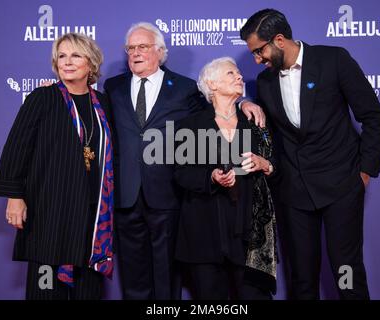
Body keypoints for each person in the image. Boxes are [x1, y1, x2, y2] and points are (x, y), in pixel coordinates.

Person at [103, 22, 264, 300]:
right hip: (126, 194)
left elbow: (217, 107)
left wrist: (243, 102)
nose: (135, 53)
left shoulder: (184, 88)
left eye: (143, 47)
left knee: (167, 275)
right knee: (133, 274)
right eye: (131, 48)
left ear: (159, 51)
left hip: (167, 192)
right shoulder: (113, 86)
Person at [240, 9, 380, 299]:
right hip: (295, 193)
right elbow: (267, 129)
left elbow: (372, 116)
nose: (257, 60)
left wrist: (364, 173)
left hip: (341, 187)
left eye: (260, 51)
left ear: (279, 40)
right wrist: (244, 102)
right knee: (302, 278)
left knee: (346, 271)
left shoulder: (333, 60)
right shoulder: (266, 82)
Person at [0, 33, 114, 300]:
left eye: (75, 55)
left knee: (87, 290)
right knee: (46, 290)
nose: (67, 62)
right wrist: (15, 197)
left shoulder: (102, 104)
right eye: (62, 56)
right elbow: (16, 148)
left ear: (91, 64)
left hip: (91, 214)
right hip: (49, 210)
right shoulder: (43, 98)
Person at [174, 57, 278, 300]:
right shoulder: (189, 125)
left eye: (239, 74)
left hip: (250, 232)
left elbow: (278, 164)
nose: (240, 77)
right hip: (205, 230)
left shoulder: (256, 122)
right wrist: (210, 176)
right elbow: (181, 173)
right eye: (232, 74)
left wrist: (266, 164)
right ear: (212, 84)